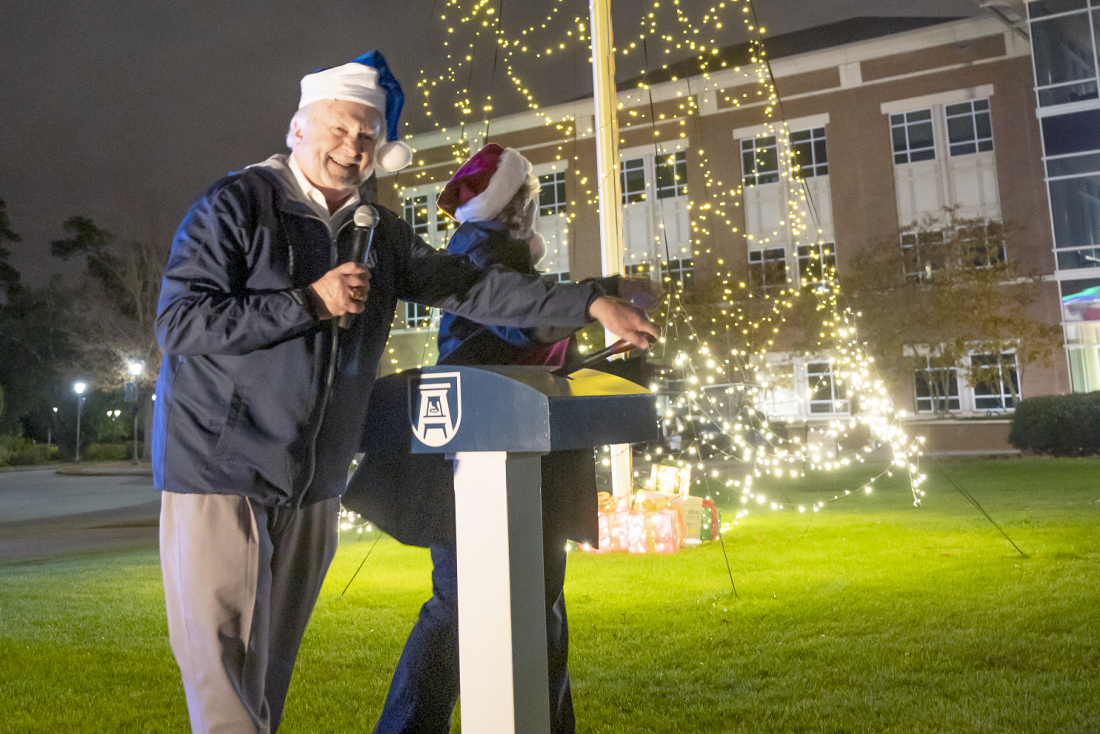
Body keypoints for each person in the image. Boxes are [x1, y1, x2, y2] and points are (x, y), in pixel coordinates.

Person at [152, 51, 657, 734]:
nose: (351, 148)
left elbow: (473, 287)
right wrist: (308, 302)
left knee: (265, 671)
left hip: (313, 479)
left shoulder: (377, 230)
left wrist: (590, 305)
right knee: (224, 679)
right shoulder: (237, 205)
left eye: (366, 136)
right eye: (338, 129)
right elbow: (181, 323)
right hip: (224, 470)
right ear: (298, 129)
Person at [348, 144, 657, 734]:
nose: (535, 204)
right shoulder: (479, 251)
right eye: (529, 193)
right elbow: (515, 312)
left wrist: (601, 304)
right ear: (512, 203)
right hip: (482, 455)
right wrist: (601, 295)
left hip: (524, 454)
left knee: (535, 610)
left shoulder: (503, 252)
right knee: (463, 610)